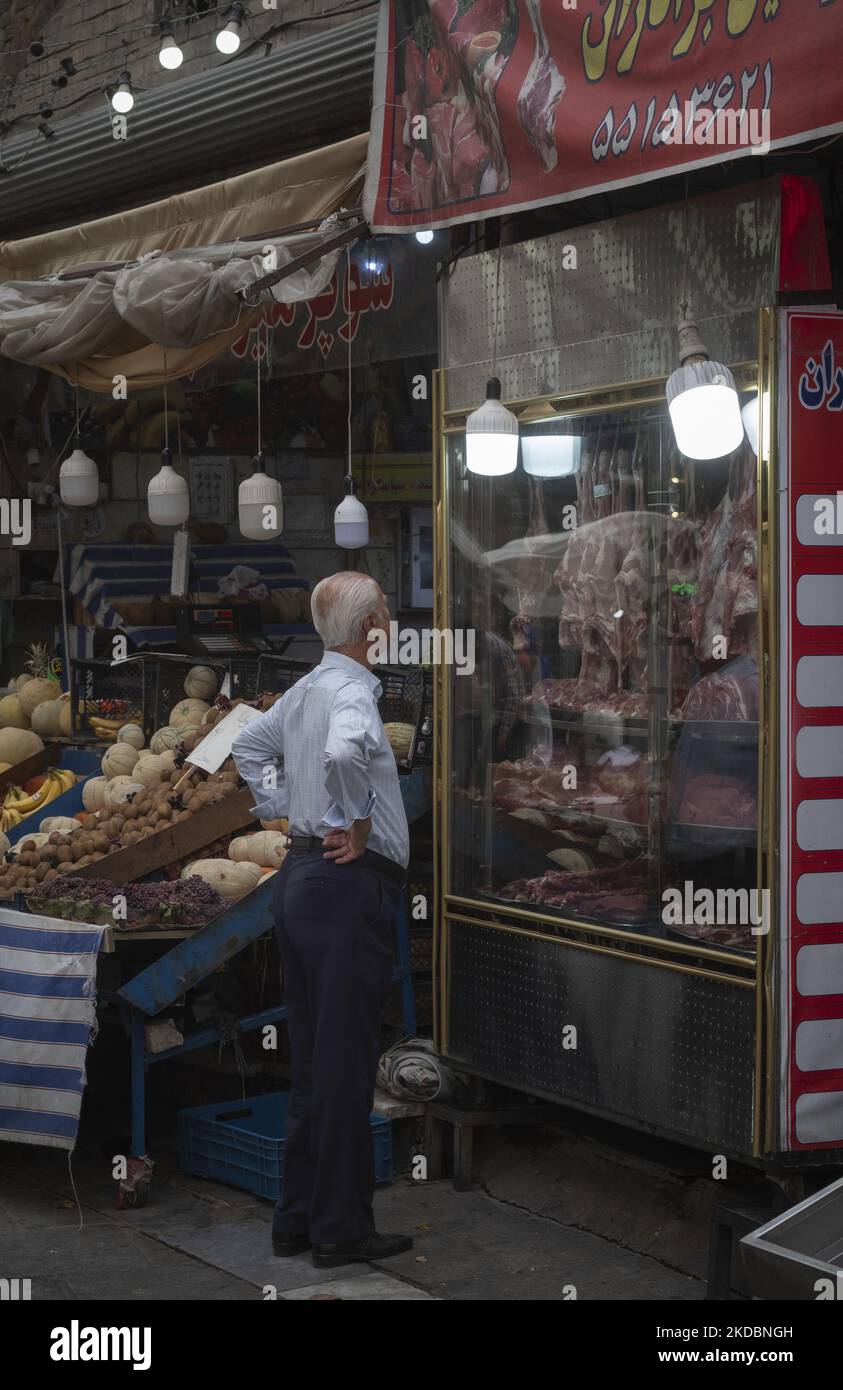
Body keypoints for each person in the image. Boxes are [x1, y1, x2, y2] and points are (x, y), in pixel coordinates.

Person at [232, 572, 413, 1269]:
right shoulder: (351, 692)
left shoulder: (310, 686)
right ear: (368, 624)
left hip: (302, 880)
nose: (392, 618)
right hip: (344, 887)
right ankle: (339, 1232)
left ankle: (296, 1221)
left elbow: (250, 747)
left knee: (312, 1064)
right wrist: (356, 823)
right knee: (342, 1069)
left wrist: (286, 806)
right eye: (386, 610)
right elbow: (343, 753)